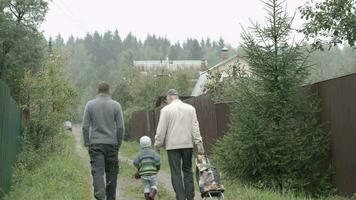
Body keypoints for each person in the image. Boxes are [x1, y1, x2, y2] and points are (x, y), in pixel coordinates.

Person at [154, 89, 205, 200]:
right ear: (177, 97)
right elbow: (195, 127)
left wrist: (157, 145)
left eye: (166, 99)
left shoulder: (166, 110)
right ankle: (190, 196)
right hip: (187, 145)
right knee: (187, 170)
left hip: (172, 146)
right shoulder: (190, 109)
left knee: (175, 172)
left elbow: (161, 130)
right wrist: (199, 143)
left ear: (169, 97)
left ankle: (180, 197)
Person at [82, 82, 124, 200]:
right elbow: (120, 127)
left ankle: (100, 197)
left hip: (96, 144)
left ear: (98, 91)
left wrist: (87, 143)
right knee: (112, 173)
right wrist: (118, 142)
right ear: (109, 91)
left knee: (98, 173)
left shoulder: (90, 105)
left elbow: (85, 126)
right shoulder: (116, 105)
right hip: (111, 144)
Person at [133, 136, 161, 200]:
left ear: (140, 144)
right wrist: (157, 167)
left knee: (146, 187)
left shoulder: (139, 154)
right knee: (154, 185)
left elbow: (135, 162)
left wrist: (139, 167)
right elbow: (158, 160)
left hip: (143, 174)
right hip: (152, 173)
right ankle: (152, 194)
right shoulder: (153, 152)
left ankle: (148, 198)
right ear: (150, 143)